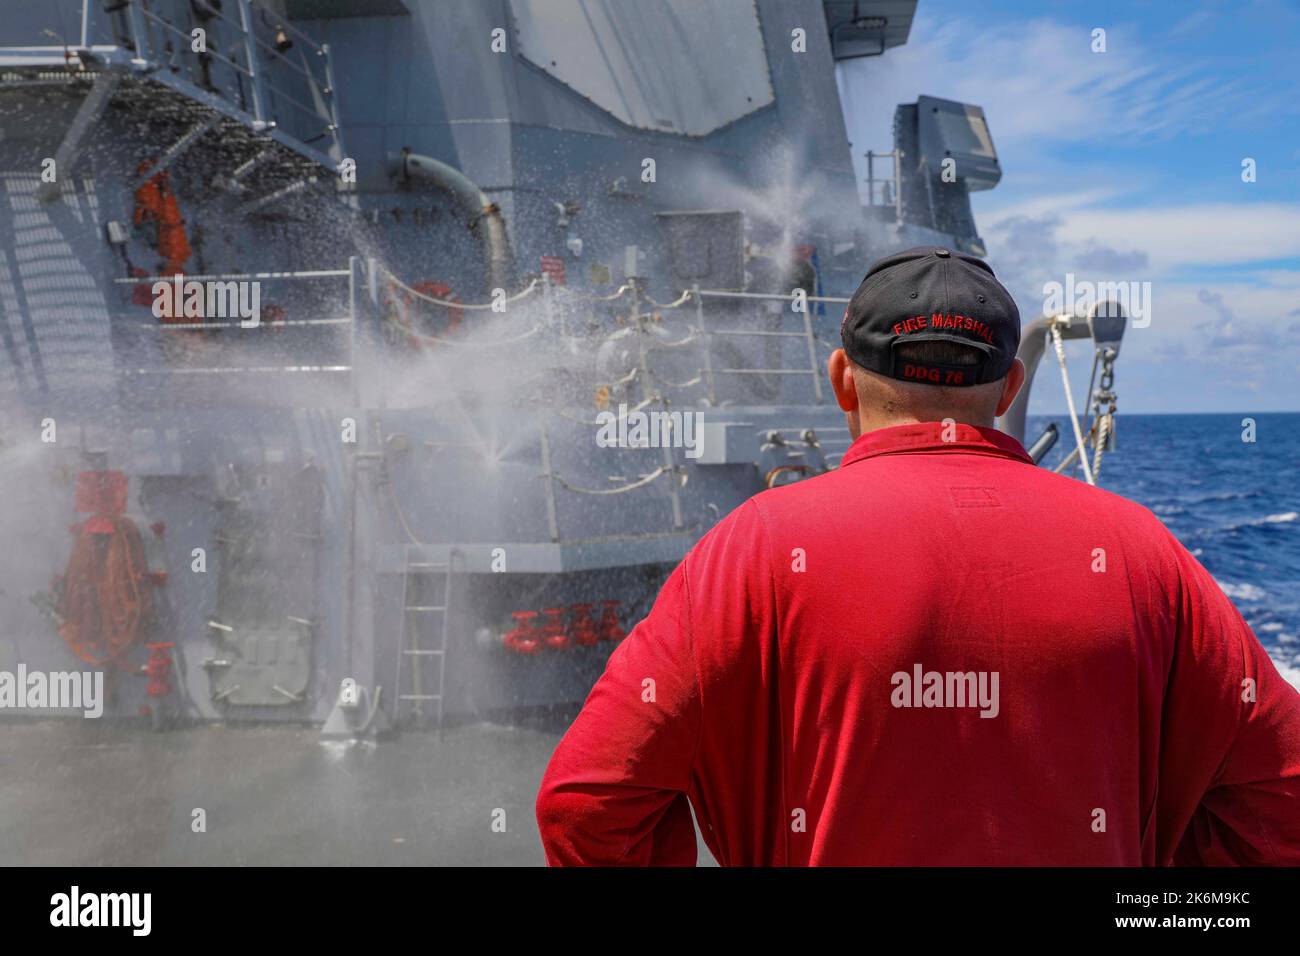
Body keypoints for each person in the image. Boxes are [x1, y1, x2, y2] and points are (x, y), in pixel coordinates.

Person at [535, 246, 1300, 866]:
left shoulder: (752, 550)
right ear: (1008, 389)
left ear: (841, 380)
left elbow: (588, 801)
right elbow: (1282, 790)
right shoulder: (1138, 551)